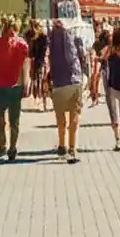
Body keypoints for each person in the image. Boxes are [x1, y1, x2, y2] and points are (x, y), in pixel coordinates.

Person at [0, 16, 31, 161]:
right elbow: (25, 66)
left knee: (0, 117)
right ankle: (12, 147)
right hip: (15, 87)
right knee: (14, 121)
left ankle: (2, 142)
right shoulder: (22, 45)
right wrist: (26, 83)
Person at [48, 18, 86, 164]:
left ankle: (62, 145)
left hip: (57, 81)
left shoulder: (50, 40)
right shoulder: (75, 38)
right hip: (75, 80)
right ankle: (72, 147)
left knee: (60, 116)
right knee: (74, 114)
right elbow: (82, 58)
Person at [28, 19, 50, 111]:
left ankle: (44, 102)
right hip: (37, 62)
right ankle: (39, 99)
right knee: (37, 81)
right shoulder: (34, 39)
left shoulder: (44, 38)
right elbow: (32, 53)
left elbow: (46, 50)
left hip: (43, 62)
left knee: (44, 81)